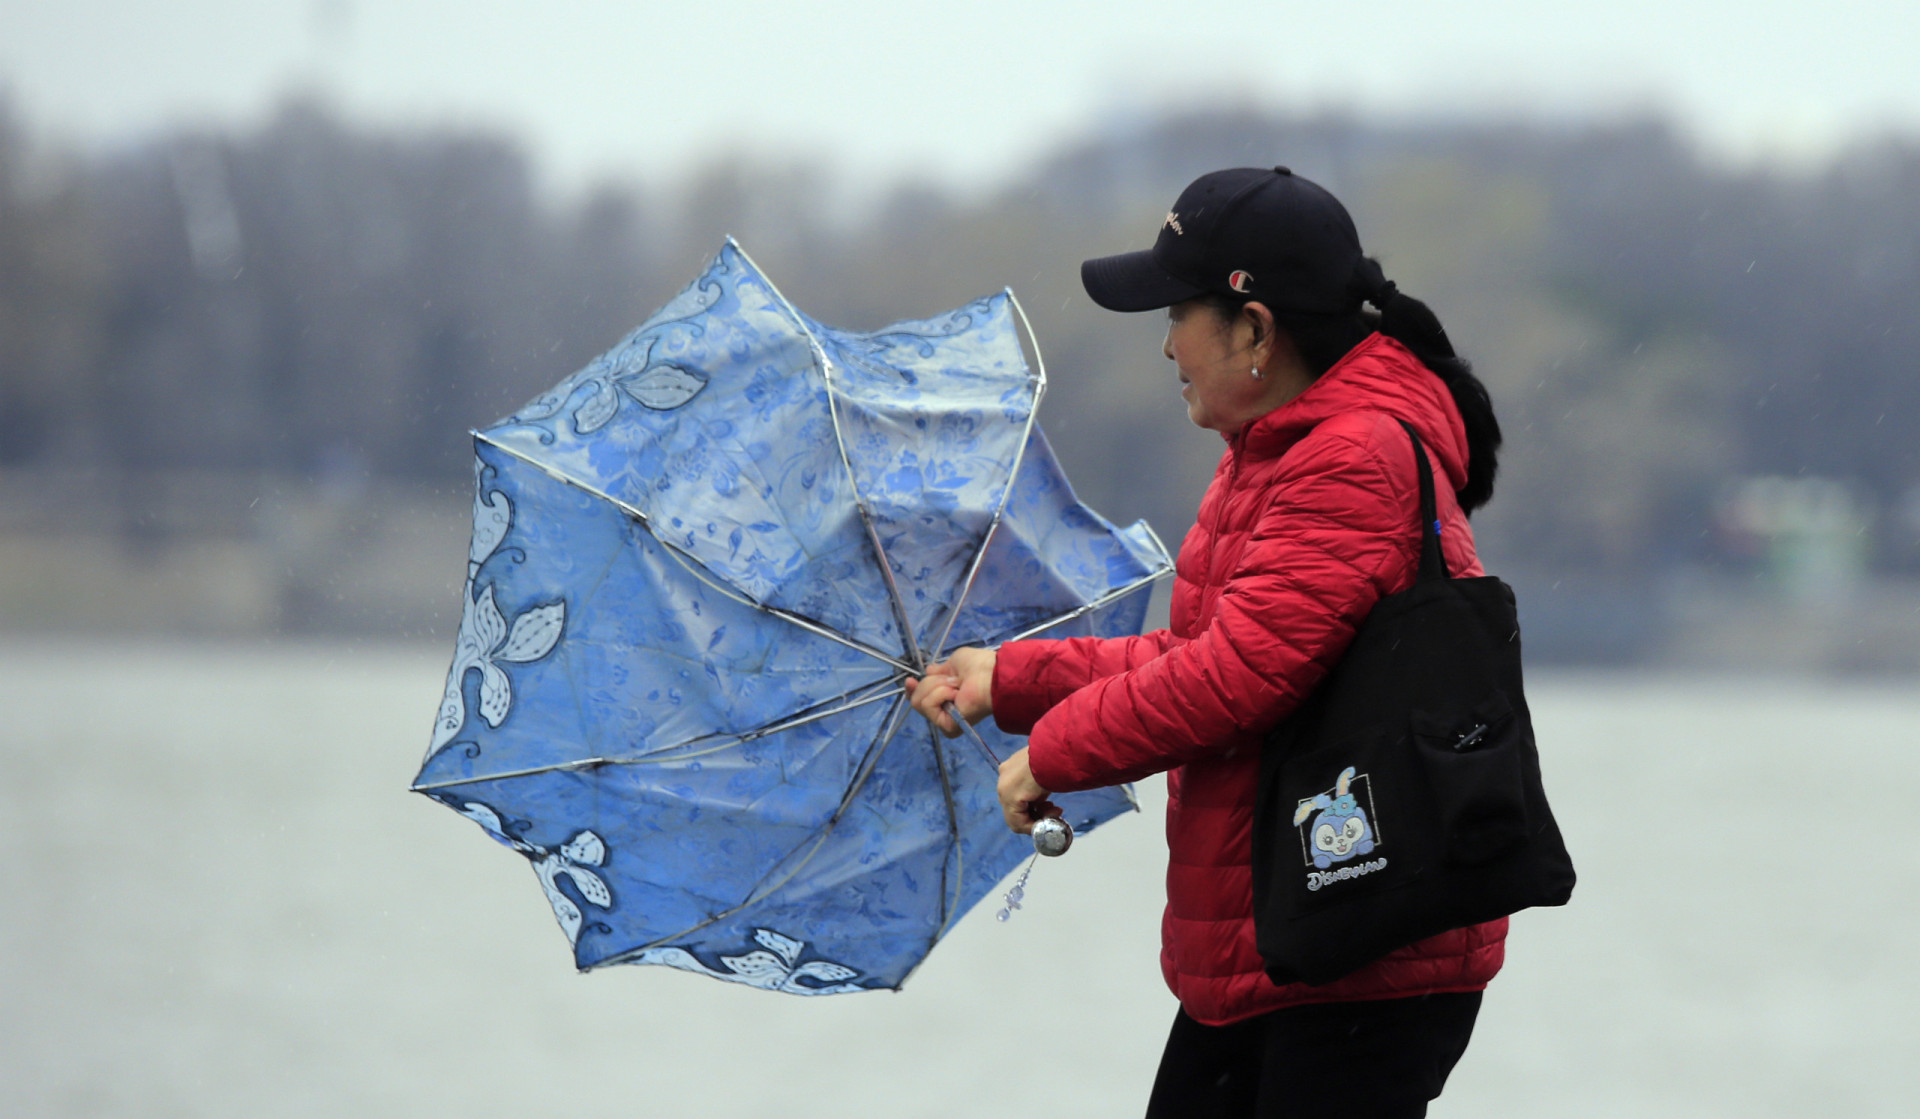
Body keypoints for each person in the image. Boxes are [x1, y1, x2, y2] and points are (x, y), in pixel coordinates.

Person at [907, 166, 1507, 1118]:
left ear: (1256, 329)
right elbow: (1210, 651)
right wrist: (1012, 678)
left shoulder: (1350, 459)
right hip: (1289, 937)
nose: (1164, 345)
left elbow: (1237, 679)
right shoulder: (1278, 454)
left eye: (1178, 313)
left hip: (1358, 954)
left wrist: (1054, 752)